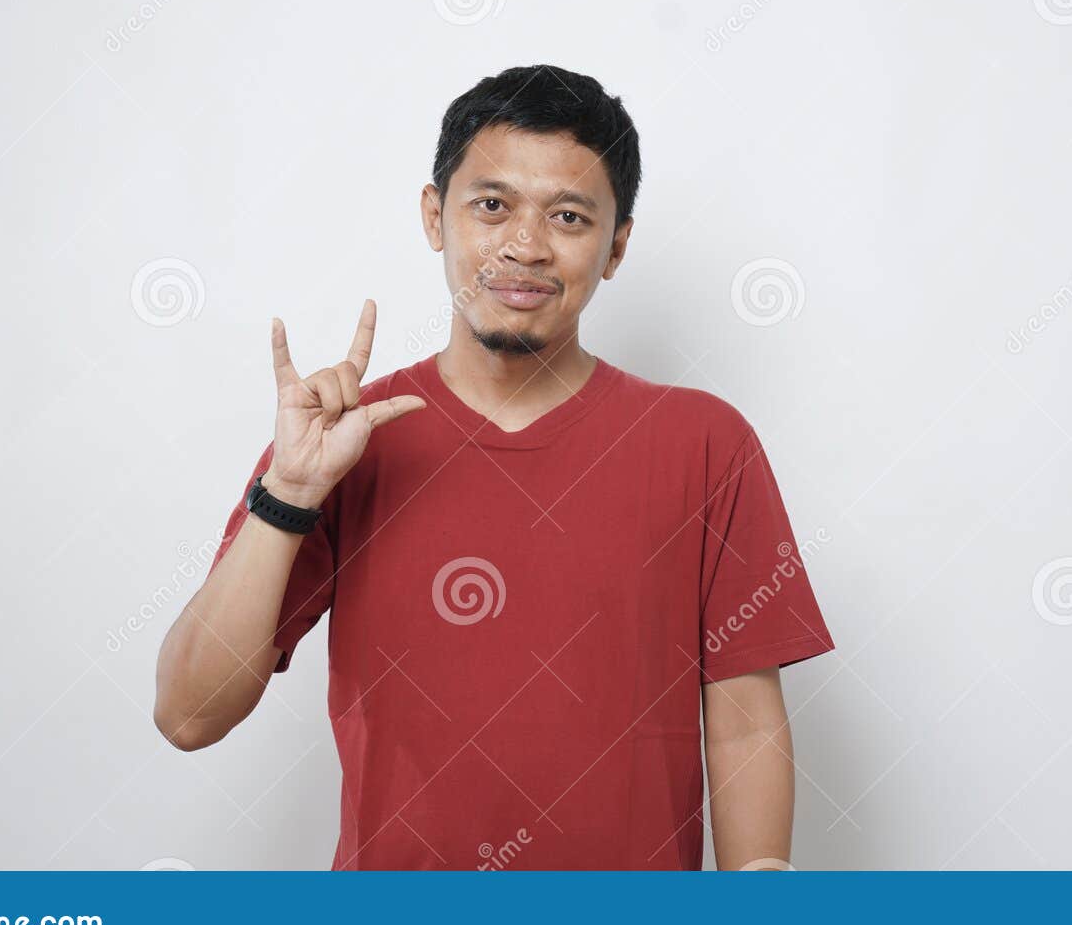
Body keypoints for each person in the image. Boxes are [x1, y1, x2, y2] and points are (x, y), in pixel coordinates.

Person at [153, 64, 836, 870]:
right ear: (434, 216)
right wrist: (290, 493)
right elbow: (189, 716)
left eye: (570, 216)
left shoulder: (706, 443)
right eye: (491, 205)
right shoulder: (343, 443)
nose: (524, 245)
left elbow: (746, 720)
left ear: (616, 248)